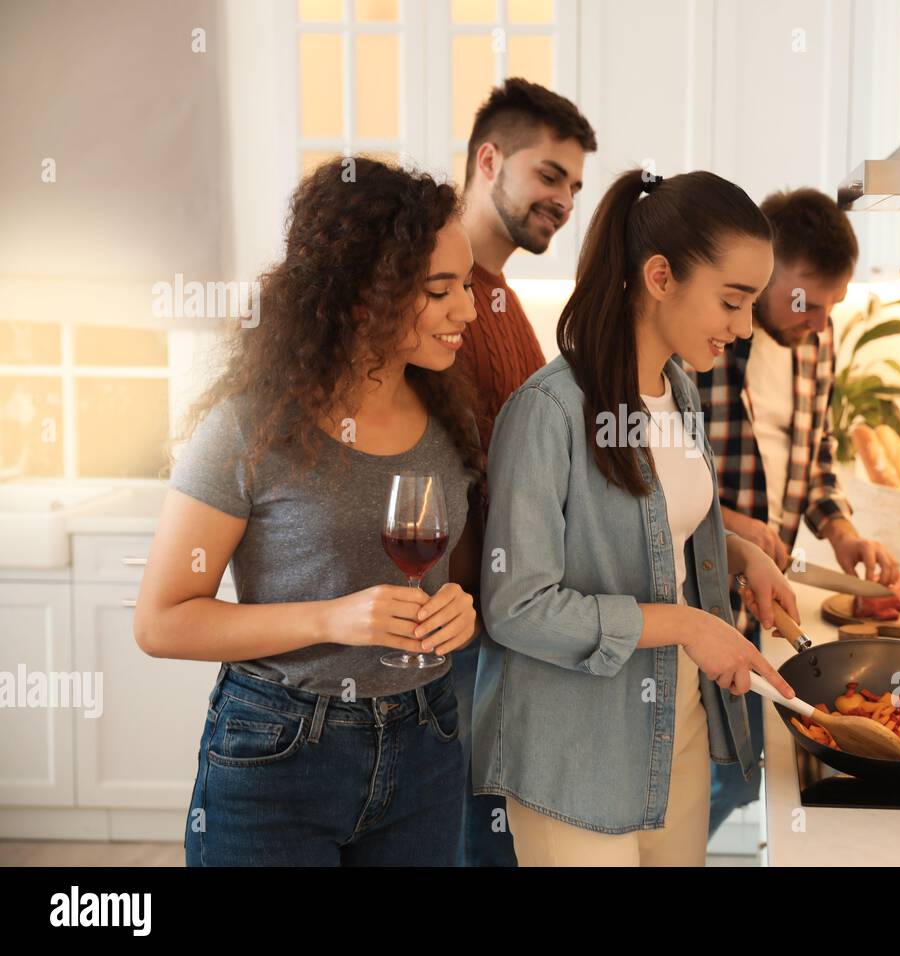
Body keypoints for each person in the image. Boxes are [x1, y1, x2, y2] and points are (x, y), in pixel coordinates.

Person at [135, 158, 481, 866]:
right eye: (440, 290)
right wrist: (331, 619)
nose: (469, 310)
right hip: (279, 752)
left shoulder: (450, 419)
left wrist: (460, 608)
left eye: (467, 285)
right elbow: (161, 620)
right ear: (363, 297)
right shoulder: (246, 429)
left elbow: (457, 578)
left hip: (428, 741)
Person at [474, 168, 798, 866]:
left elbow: (665, 537)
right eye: (732, 301)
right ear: (660, 277)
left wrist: (745, 559)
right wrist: (687, 623)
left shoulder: (678, 391)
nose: (744, 328)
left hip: (672, 719)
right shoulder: (548, 413)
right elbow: (516, 607)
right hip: (578, 748)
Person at [690, 187, 900, 838]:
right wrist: (730, 526)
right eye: (810, 300)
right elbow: (650, 472)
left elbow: (815, 453)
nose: (819, 321)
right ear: (767, 266)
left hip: (765, 593)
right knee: (711, 774)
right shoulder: (708, 333)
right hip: (697, 598)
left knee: (746, 769)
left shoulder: (817, 338)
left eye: (833, 307)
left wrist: (838, 529)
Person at [451, 77, 597, 866]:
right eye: (549, 175)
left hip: (502, 624)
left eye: (575, 185)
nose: (565, 199)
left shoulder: (505, 302)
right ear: (488, 160)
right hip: (455, 639)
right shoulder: (431, 299)